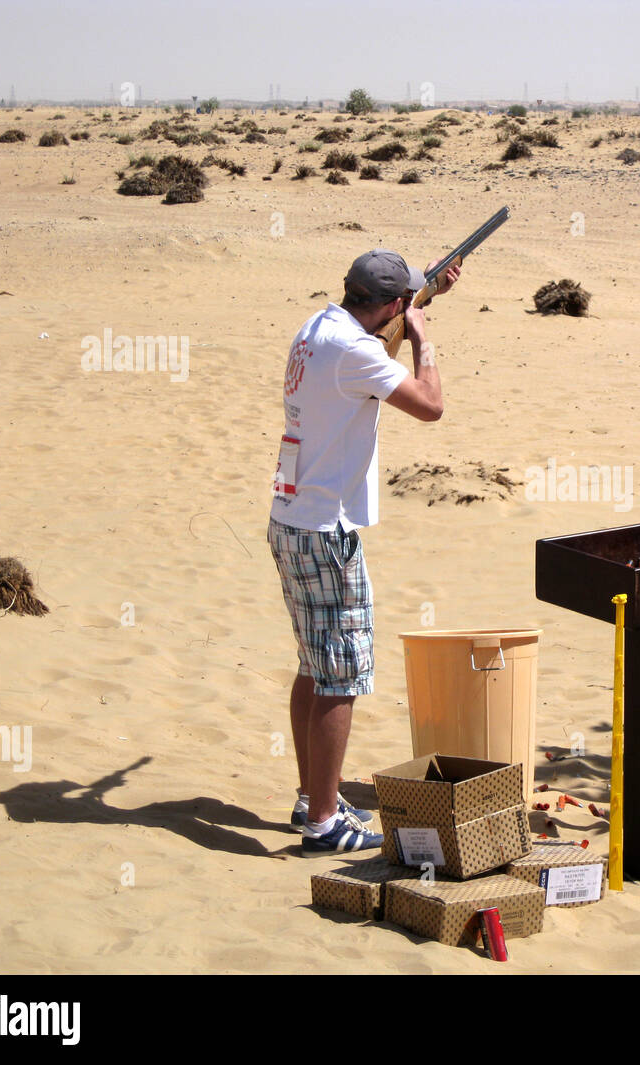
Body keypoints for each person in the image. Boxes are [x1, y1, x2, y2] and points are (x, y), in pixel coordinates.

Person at [267, 248, 459, 853]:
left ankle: (311, 796)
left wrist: (417, 299)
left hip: (294, 517)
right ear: (395, 306)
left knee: (313, 665)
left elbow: (374, 371)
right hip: (326, 529)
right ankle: (323, 822)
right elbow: (429, 405)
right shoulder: (357, 350)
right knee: (341, 674)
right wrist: (424, 335)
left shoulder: (321, 329)